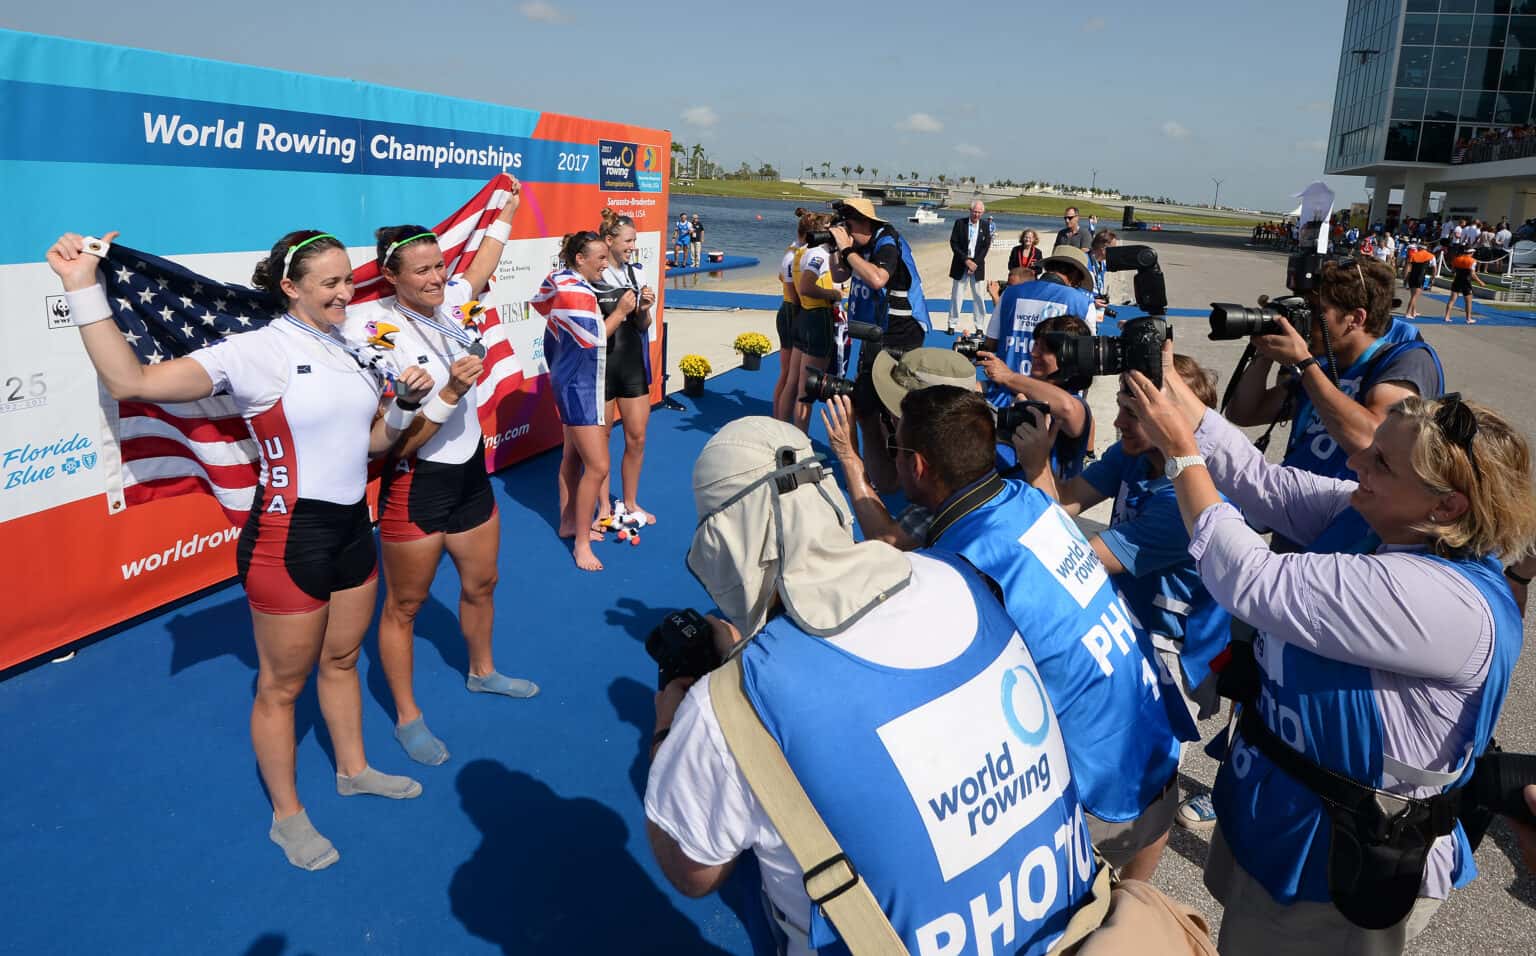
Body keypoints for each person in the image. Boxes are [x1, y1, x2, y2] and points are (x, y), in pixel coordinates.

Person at [1121, 345, 1535, 955]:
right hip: (1283, 814)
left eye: (1381, 462)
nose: (1354, 457)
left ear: (1446, 507)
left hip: (1337, 858)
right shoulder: (1388, 521)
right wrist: (1180, 402)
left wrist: (1182, 454)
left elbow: (1252, 579)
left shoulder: (1445, 601)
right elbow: (1266, 487)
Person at [48, 228, 435, 871]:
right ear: (290, 287)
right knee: (282, 688)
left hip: (349, 531)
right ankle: (287, 817)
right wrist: (83, 287)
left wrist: (406, 408)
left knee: (341, 660)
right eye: (331, 283)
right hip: (288, 539)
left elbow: (370, 445)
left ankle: (354, 768)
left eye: (347, 279)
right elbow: (131, 380)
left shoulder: (352, 343)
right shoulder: (256, 352)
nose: (346, 293)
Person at [645, 415, 1099, 954]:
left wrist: (672, 715)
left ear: (720, 542)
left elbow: (691, 872)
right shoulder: (957, 576)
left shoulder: (734, 703)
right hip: (1072, 927)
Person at [896, 385, 1192, 882]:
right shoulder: (1029, 500)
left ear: (919, 466)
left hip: (1098, 799)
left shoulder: (960, 567)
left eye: (897, 452)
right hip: (1154, 756)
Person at [344, 187, 538, 768]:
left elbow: (480, 268)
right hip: (416, 482)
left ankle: (482, 671)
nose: (436, 278)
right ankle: (407, 717)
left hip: (471, 478)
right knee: (404, 607)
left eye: (438, 266)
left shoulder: (452, 300)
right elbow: (389, 432)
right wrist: (441, 392)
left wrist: (505, 210)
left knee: (482, 586)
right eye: (422, 270)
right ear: (391, 276)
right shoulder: (368, 327)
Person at [1013, 354, 1231, 732]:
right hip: (1134, 615)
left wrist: (1037, 468)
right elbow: (1064, 504)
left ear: (1171, 418)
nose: (1117, 423)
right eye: (1119, 408)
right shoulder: (1135, 456)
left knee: (1147, 756)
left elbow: (1077, 558)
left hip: (1175, 646)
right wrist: (1042, 462)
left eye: (1132, 414)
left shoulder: (1183, 502)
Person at [1223, 257, 1444, 486]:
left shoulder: (1407, 360)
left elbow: (1375, 440)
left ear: (1356, 319)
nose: (1306, 321)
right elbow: (1244, 413)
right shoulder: (1324, 368)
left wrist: (1304, 363)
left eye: (1315, 311)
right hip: (1293, 504)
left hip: (1348, 511)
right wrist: (1264, 351)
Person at [533, 231, 636, 572]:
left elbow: (540, 303)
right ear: (580, 258)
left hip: (567, 379)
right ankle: (580, 543)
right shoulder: (576, 293)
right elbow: (594, 340)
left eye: (607, 257)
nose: (606, 265)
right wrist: (621, 312)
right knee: (598, 466)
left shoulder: (560, 280)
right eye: (601, 258)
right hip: (580, 385)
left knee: (572, 457)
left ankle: (567, 522)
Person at [827, 197, 928, 491]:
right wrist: (839, 249)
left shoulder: (887, 243)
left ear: (867, 223)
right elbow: (838, 274)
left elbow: (876, 278)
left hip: (901, 336)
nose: (845, 230)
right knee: (866, 406)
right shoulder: (860, 246)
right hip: (876, 334)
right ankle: (885, 476)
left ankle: (908, 475)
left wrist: (846, 249)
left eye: (848, 225)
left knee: (899, 408)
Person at [594, 209, 659, 525]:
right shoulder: (594, 276)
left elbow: (643, 326)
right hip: (602, 368)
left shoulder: (637, 274)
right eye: (628, 240)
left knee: (637, 437)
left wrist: (644, 310)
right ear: (609, 241)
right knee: (601, 440)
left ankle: (631, 502)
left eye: (635, 240)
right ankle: (604, 506)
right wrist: (620, 311)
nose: (633, 246)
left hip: (632, 365)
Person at [977, 314, 1095, 484]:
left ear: (1069, 356)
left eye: (1044, 349)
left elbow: (1067, 409)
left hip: (1048, 504)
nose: (1033, 353)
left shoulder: (1075, 403)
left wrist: (1009, 377)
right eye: (1036, 345)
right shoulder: (1012, 390)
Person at [981, 245, 1096, 408]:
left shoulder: (1010, 293)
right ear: (1074, 275)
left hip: (1005, 398)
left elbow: (990, 343)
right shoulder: (1083, 303)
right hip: (1054, 402)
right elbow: (1086, 361)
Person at [789, 213, 841, 433]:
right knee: (808, 388)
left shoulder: (802, 251)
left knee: (797, 383)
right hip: (817, 319)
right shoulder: (818, 254)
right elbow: (806, 287)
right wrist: (833, 294)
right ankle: (800, 441)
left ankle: (791, 434)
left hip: (804, 316)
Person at [771, 217, 807, 422]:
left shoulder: (791, 250)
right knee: (789, 374)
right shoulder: (796, 255)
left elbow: (780, 277)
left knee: (788, 374)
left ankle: (779, 416)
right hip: (792, 311)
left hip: (788, 309)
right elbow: (794, 292)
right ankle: (780, 419)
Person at [946, 200, 992, 335]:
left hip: (977, 266)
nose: (976, 214)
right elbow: (954, 243)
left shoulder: (985, 225)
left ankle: (979, 327)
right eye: (975, 212)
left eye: (979, 212)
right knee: (957, 295)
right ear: (970, 211)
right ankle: (952, 324)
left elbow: (986, 246)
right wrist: (966, 260)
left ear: (982, 213)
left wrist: (975, 263)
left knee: (978, 297)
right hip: (961, 264)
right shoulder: (960, 223)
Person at [1442, 246, 1486, 325]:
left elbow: (1452, 270)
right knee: (1468, 301)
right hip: (1466, 282)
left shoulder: (1456, 259)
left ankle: (1447, 316)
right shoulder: (1472, 261)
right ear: (1471, 253)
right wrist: (1480, 282)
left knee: (1452, 300)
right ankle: (1468, 319)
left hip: (1457, 280)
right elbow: (1472, 274)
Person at [1402, 243, 1435, 319]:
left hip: (1412, 277)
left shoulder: (1413, 255)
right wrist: (1433, 278)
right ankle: (1407, 313)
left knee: (1413, 296)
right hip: (1420, 277)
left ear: (1419, 248)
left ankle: (1413, 312)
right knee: (1414, 297)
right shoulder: (1431, 256)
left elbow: (1408, 267)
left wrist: (1405, 278)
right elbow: (1434, 268)